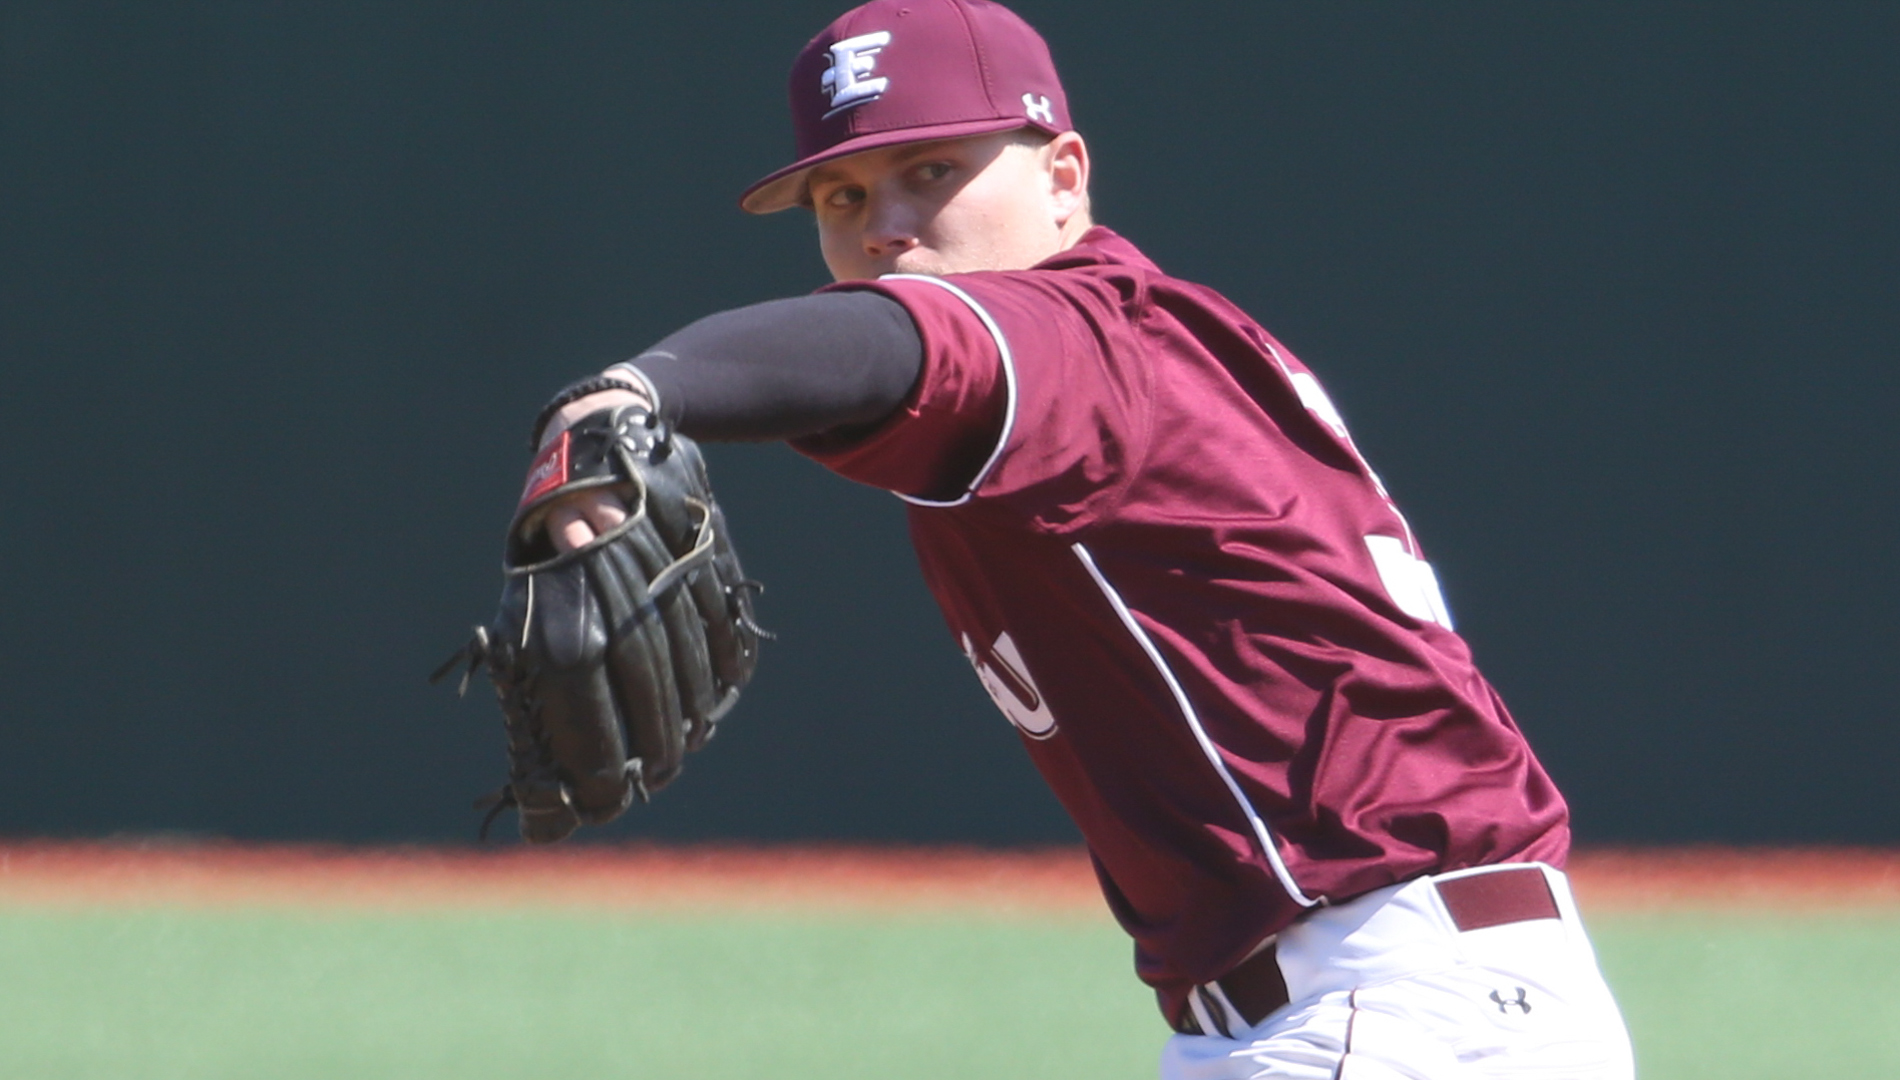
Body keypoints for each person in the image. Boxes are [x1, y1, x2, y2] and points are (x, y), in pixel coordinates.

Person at [529, 2, 1635, 1077]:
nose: (884, 225)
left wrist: (630, 392)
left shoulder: (1077, 341)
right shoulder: (1119, 359)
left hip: (1392, 1003)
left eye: (932, 170)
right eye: (843, 194)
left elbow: (890, 341)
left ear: (1064, 177)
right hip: (1383, 1002)